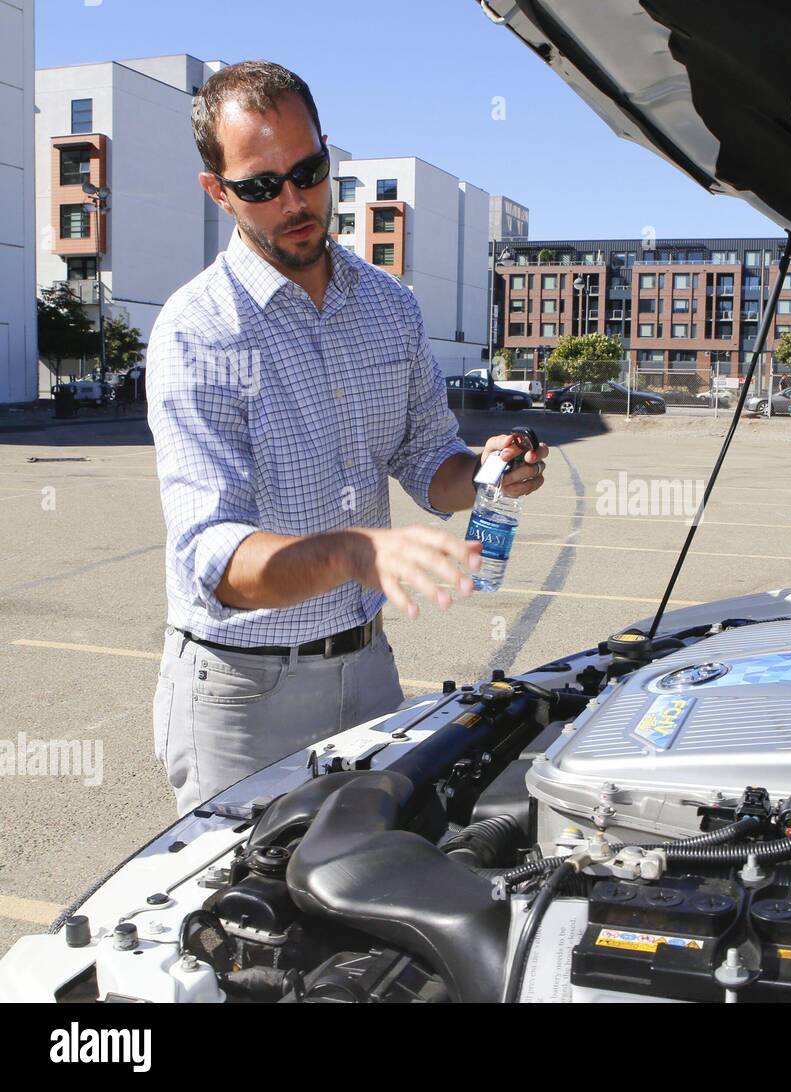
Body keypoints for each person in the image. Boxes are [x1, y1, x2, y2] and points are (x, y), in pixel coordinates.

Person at [146, 60, 547, 814]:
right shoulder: (196, 330)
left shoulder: (389, 306)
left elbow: (429, 458)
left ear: (330, 155)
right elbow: (218, 562)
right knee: (247, 921)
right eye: (262, 186)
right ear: (218, 191)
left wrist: (489, 472)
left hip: (367, 670)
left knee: (368, 892)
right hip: (242, 695)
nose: (295, 201)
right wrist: (358, 551)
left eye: (309, 170)